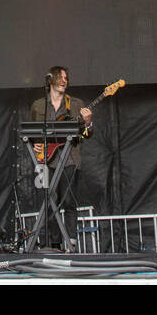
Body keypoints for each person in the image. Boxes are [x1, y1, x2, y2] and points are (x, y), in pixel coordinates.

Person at [28, 66, 92, 251]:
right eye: (60, 77)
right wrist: (34, 144)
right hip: (45, 160)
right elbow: (29, 131)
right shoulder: (38, 105)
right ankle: (51, 243)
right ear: (50, 80)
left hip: (69, 159)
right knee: (47, 200)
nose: (64, 81)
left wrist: (88, 123)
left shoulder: (76, 103)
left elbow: (87, 134)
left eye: (66, 78)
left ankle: (70, 241)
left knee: (69, 202)